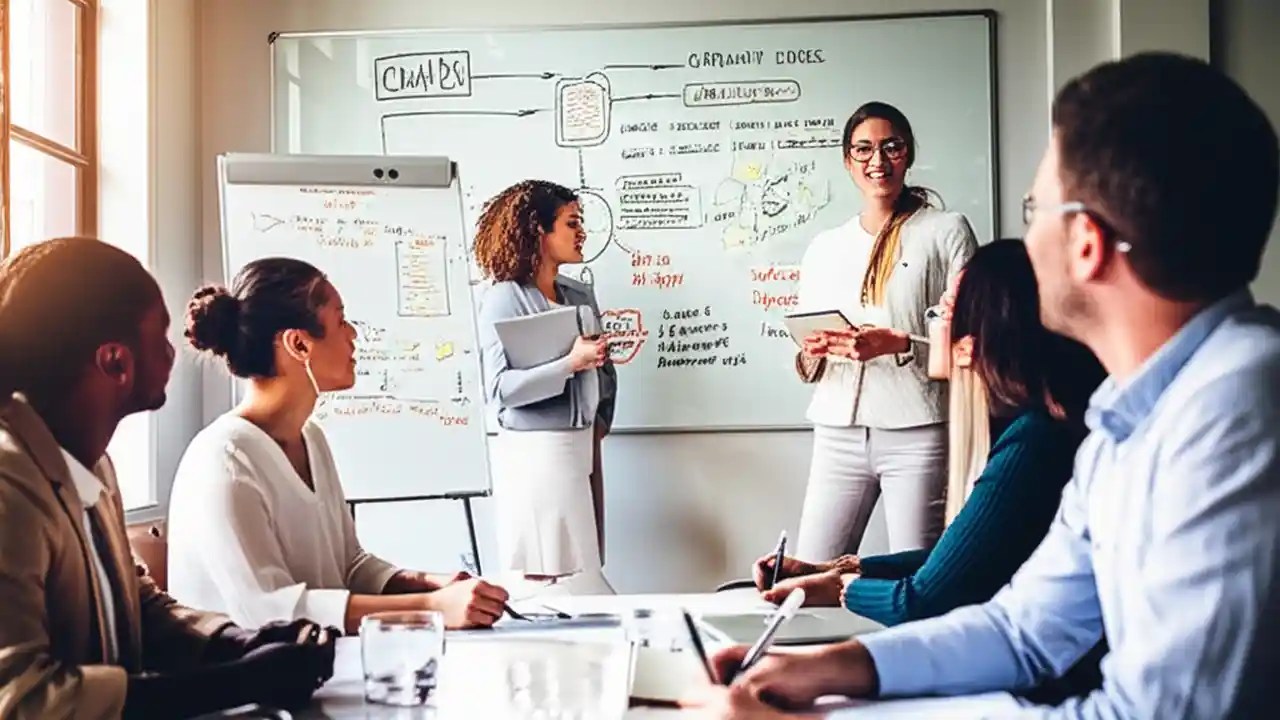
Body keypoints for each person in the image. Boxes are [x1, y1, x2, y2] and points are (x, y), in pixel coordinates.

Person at [684, 52, 1280, 719]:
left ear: (1086, 242)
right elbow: (1024, 630)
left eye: (1035, 210)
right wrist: (834, 668)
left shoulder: (1236, 409)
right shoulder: (1125, 413)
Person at [0, 238, 337, 718]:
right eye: (160, 336)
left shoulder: (92, 463)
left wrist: (238, 643)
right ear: (115, 362)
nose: (172, 352)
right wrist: (234, 683)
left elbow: (136, 604)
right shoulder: (10, 488)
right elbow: (21, 700)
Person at [758, 240, 1103, 630]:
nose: (933, 324)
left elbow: (922, 600)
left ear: (974, 340)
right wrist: (832, 570)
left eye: (945, 311)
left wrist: (841, 587)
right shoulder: (1030, 427)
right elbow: (954, 560)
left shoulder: (1032, 443)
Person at [167, 257, 510, 633]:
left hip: (318, 658)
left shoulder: (311, 439)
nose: (353, 334)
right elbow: (266, 610)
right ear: (299, 344)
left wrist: (430, 584)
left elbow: (350, 566)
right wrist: (432, 608)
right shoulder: (225, 458)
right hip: (245, 669)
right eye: (341, 320)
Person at [793, 101, 977, 561]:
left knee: (916, 574)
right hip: (837, 428)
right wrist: (814, 349)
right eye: (863, 149)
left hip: (917, 430)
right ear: (847, 160)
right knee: (808, 571)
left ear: (908, 153)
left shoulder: (945, 231)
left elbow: (973, 336)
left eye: (891, 147)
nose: (877, 160)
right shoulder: (825, 246)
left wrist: (899, 343)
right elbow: (805, 352)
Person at [474, 179, 618, 594]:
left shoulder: (578, 294)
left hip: (582, 445)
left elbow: (604, 370)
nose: (582, 232)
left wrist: (600, 421)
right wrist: (569, 364)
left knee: (583, 564)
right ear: (538, 229)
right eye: (571, 223)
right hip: (538, 453)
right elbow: (500, 390)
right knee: (552, 575)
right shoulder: (504, 298)